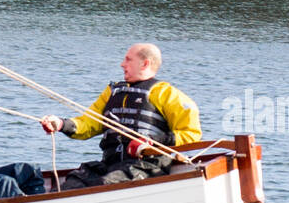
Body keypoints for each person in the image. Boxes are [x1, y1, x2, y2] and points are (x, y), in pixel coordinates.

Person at [39, 43, 200, 190]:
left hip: (146, 166)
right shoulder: (112, 92)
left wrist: (152, 142)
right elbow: (87, 123)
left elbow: (191, 134)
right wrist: (60, 124)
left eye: (128, 60)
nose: (122, 64)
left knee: (104, 184)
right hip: (110, 165)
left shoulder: (166, 94)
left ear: (145, 63)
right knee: (72, 182)